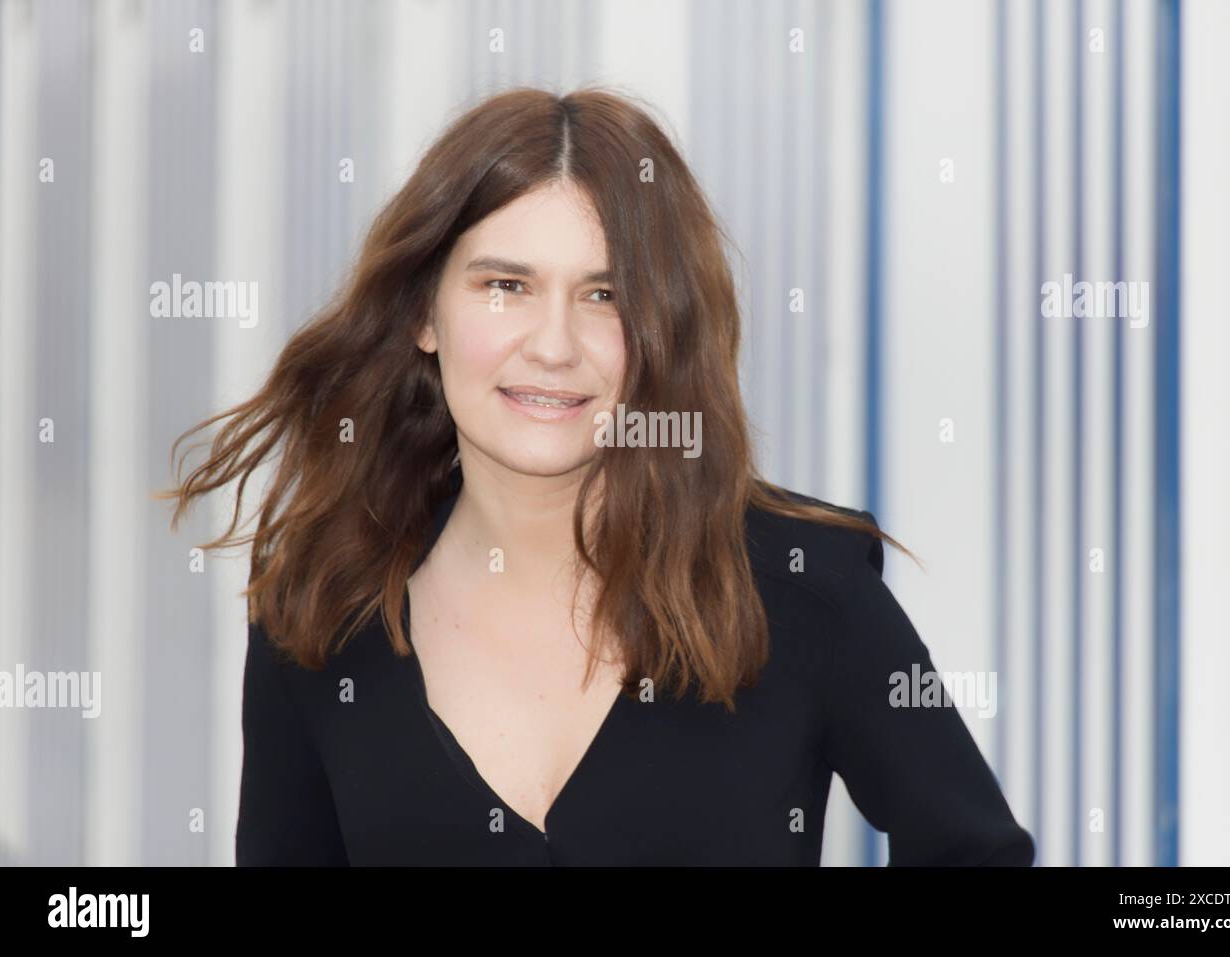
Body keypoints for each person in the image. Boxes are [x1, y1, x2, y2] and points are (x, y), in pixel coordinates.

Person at [162, 86, 1034, 866]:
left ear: (662, 330)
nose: (553, 344)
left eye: (605, 295)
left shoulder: (803, 584)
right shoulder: (317, 612)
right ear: (423, 311)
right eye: (506, 285)